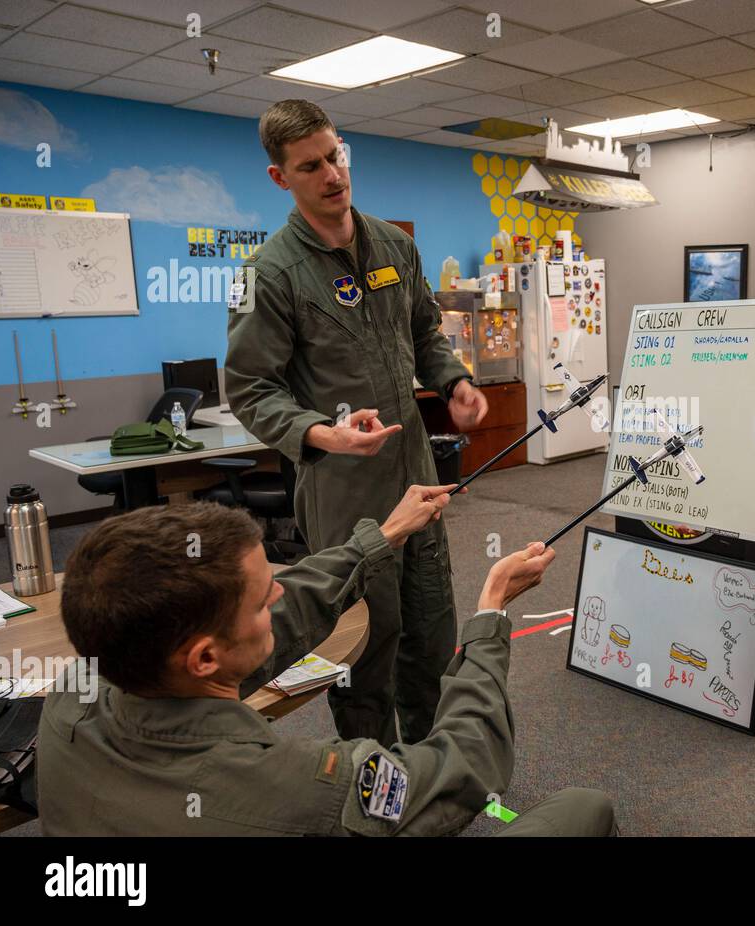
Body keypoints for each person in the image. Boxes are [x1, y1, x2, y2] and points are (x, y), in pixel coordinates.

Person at [37, 488, 615, 836]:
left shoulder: (76, 688)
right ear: (205, 658)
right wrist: (490, 616)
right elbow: (468, 766)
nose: (280, 597)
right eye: (263, 600)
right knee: (584, 809)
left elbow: (286, 612)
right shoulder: (300, 783)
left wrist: (381, 539)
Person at [226, 99, 488, 748]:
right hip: (344, 495)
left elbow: (426, 335)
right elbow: (248, 389)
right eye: (310, 166)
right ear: (280, 178)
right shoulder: (266, 275)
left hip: (418, 481)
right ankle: (375, 784)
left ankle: (436, 775)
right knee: (362, 654)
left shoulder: (395, 245)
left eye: (335, 155)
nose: (332, 175)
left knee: (430, 639)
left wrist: (455, 382)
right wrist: (322, 432)